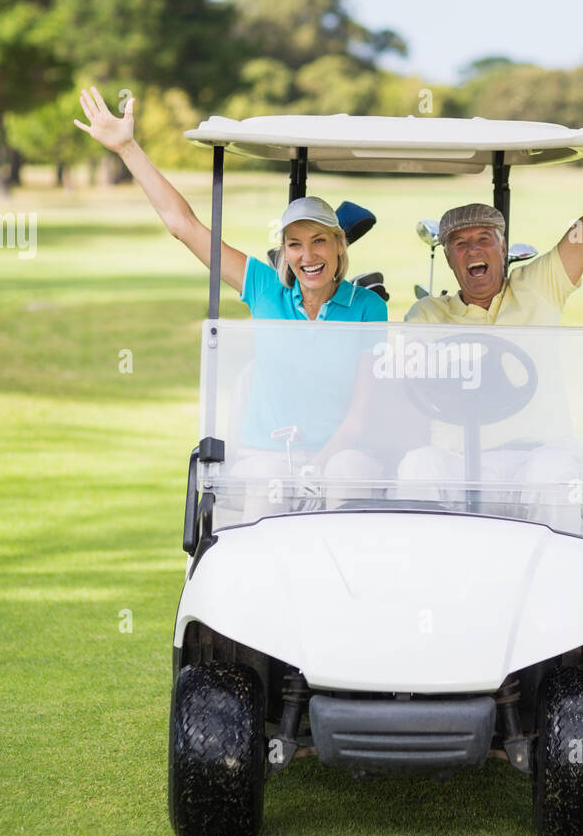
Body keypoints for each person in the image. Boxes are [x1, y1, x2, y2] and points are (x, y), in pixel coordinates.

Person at [397, 53, 583, 529]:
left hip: (536, 456)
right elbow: (413, 386)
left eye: (483, 239)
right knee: (416, 469)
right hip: (458, 460)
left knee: (557, 478)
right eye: (460, 243)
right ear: (449, 257)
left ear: (502, 247)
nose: (473, 249)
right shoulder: (428, 314)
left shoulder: (539, 285)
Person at [74, 87, 387, 515]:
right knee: (266, 482)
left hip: (338, 455)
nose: (308, 256)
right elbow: (183, 225)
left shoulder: (368, 307)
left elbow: (361, 415)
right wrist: (127, 148)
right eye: (295, 244)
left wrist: (315, 466)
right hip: (269, 455)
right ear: (285, 250)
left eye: (319, 242)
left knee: (349, 474)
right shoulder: (264, 287)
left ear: (338, 246)